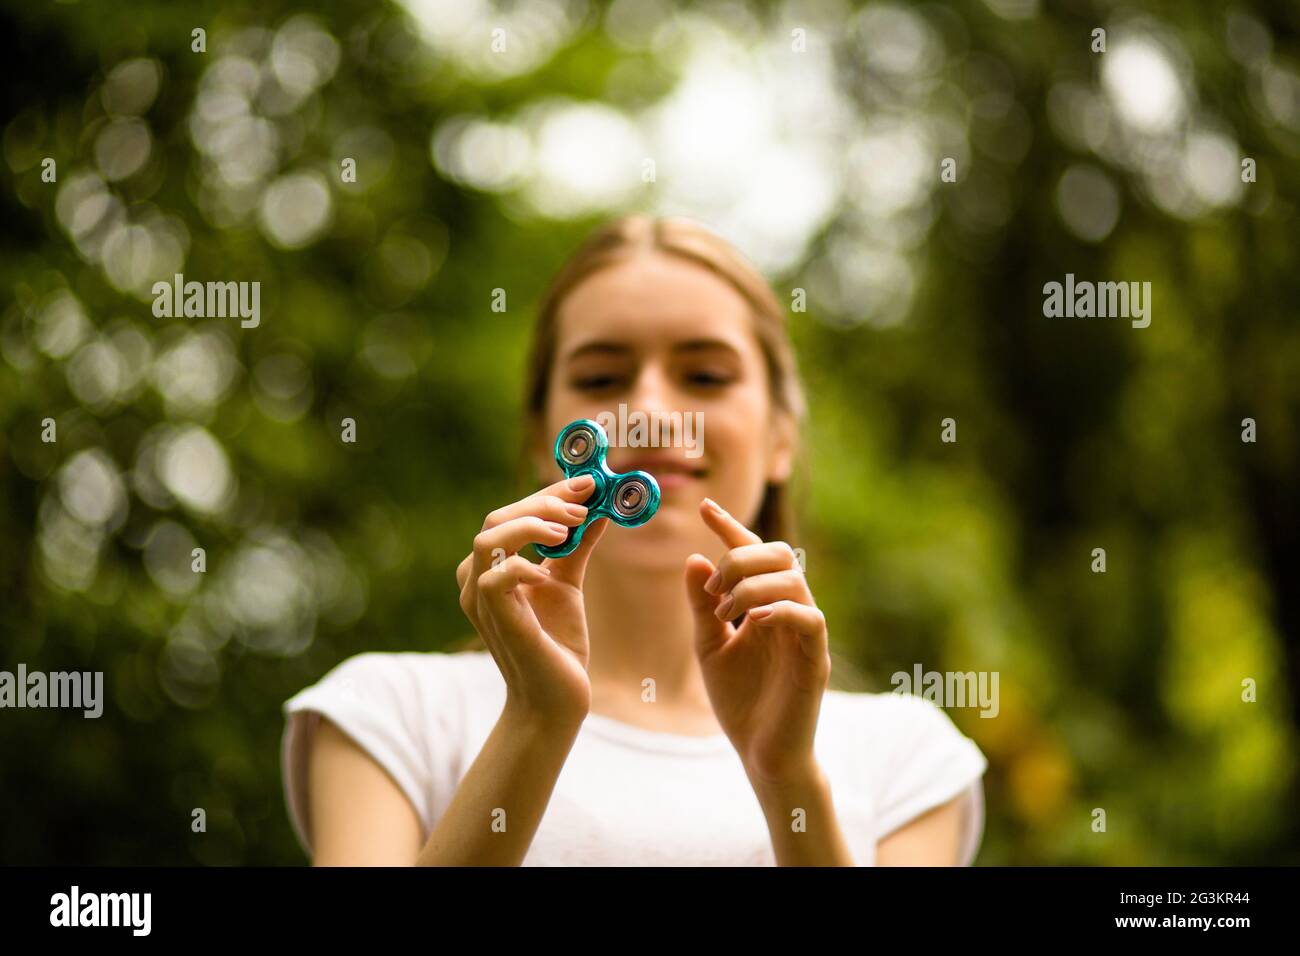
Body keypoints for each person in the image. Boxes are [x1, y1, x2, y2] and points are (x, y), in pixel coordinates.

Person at [281, 215, 988, 865]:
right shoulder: (390, 714)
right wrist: (534, 722)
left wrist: (787, 780)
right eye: (602, 378)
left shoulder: (905, 757)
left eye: (705, 375)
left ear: (780, 439)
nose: (648, 412)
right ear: (542, 436)